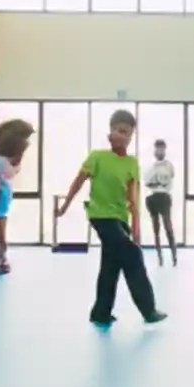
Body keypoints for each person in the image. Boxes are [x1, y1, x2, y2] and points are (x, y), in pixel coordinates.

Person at [58, 110, 168, 326]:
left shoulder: (131, 163)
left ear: (131, 136)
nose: (121, 135)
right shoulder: (97, 157)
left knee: (111, 265)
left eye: (126, 132)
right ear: (110, 133)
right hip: (100, 217)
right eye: (117, 130)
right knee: (132, 255)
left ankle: (100, 312)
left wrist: (136, 229)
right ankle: (149, 310)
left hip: (120, 219)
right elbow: (78, 181)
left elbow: (133, 198)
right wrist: (64, 207)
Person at [0, 119, 33, 275]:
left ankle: (1, 256)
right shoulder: (2, 161)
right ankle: (2, 258)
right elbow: (11, 173)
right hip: (1, 194)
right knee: (1, 228)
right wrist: (16, 165)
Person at [144, 139, 179, 267]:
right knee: (156, 229)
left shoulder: (168, 165)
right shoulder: (151, 166)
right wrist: (156, 182)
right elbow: (147, 182)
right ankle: (160, 257)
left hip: (164, 197)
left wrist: (159, 182)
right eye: (157, 149)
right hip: (153, 197)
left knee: (168, 227)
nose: (159, 151)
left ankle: (174, 255)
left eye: (162, 149)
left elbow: (168, 178)